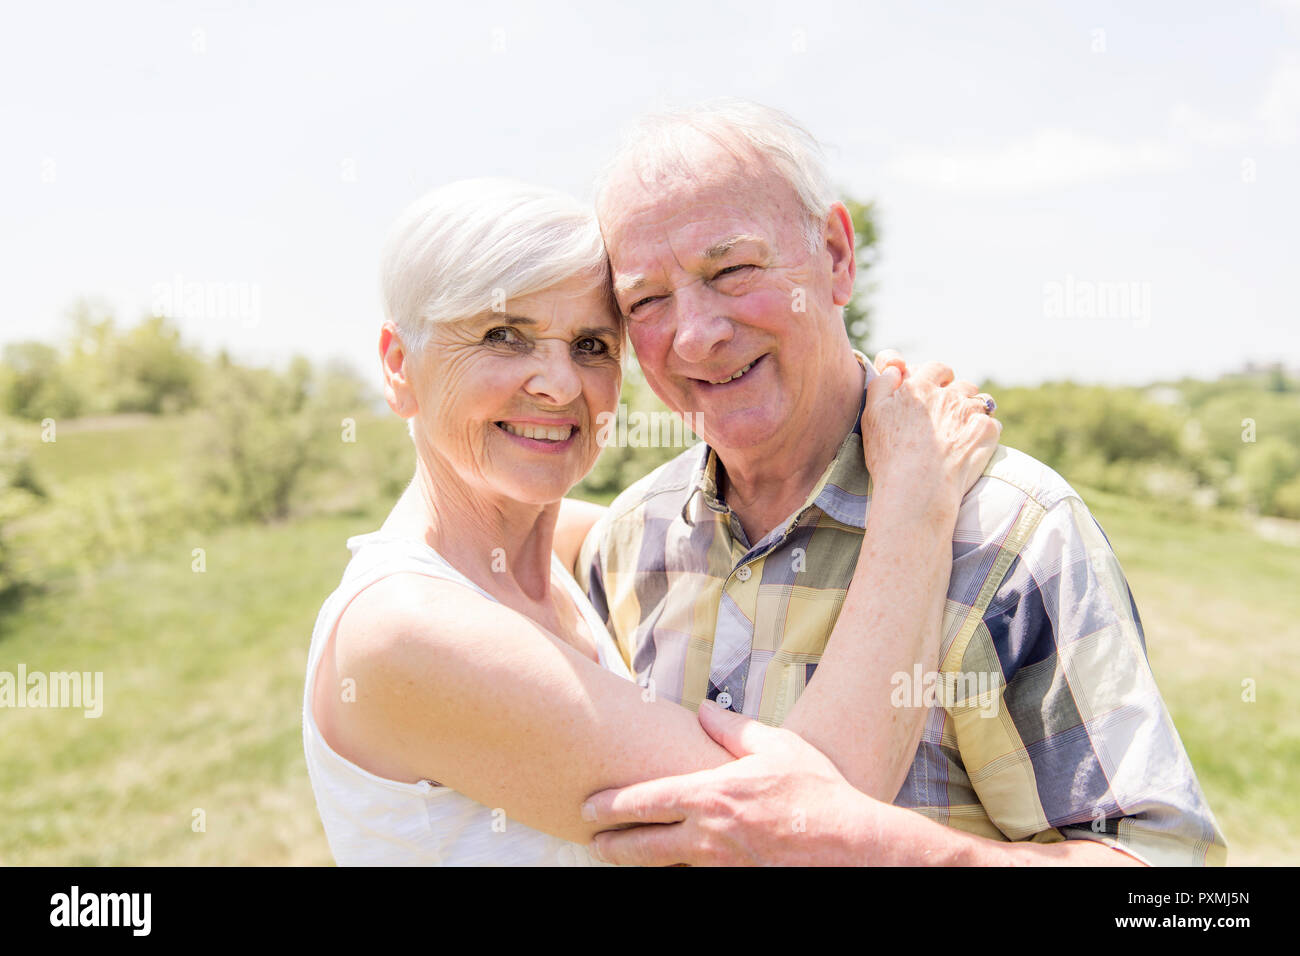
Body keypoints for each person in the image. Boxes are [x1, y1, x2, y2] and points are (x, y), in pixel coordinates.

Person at [577, 99, 1228, 866]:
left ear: (836, 256)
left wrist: (872, 848)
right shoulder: (628, 541)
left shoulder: (1011, 531)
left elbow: (1175, 888)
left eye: (732, 269)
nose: (695, 333)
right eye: (645, 300)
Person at [301, 176, 1000, 865]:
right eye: (502, 335)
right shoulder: (405, 631)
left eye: (592, 345)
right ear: (399, 366)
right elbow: (800, 830)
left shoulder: (542, 551)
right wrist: (915, 495)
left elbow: (693, 522)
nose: (559, 384)